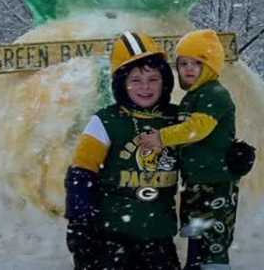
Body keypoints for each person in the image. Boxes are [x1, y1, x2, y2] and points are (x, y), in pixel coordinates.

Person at [64, 31, 182, 270]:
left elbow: (203, 160)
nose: (145, 87)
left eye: (153, 78)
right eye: (135, 80)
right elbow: (81, 175)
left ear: (165, 80)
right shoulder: (105, 121)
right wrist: (81, 226)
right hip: (110, 241)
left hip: (158, 240)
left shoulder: (178, 119)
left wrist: (232, 160)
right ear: (121, 84)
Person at [137, 29, 244, 270]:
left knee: (215, 236)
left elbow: (197, 128)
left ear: (211, 65)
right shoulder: (192, 96)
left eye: (198, 63)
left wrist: (162, 138)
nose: (189, 68)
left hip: (216, 180)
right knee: (195, 229)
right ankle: (194, 264)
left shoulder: (215, 94)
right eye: (183, 63)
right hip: (195, 179)